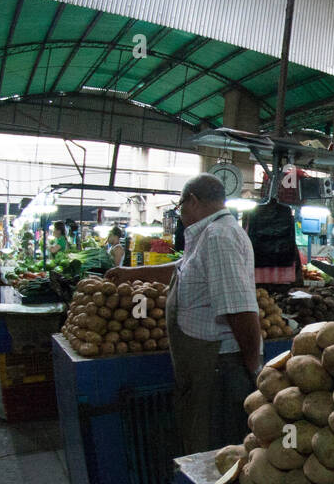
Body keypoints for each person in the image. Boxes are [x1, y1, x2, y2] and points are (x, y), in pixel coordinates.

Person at [107, 174, 261, 454]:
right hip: (205, 366)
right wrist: (133, 273)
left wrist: (253, 370)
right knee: (198, 437)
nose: (181, 215)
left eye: (180, 208)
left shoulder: (219, 236)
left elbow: (241, 311)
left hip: (218, 367)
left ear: (193, 200)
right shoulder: (207, 234)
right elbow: (183, 267)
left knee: (213, 447)